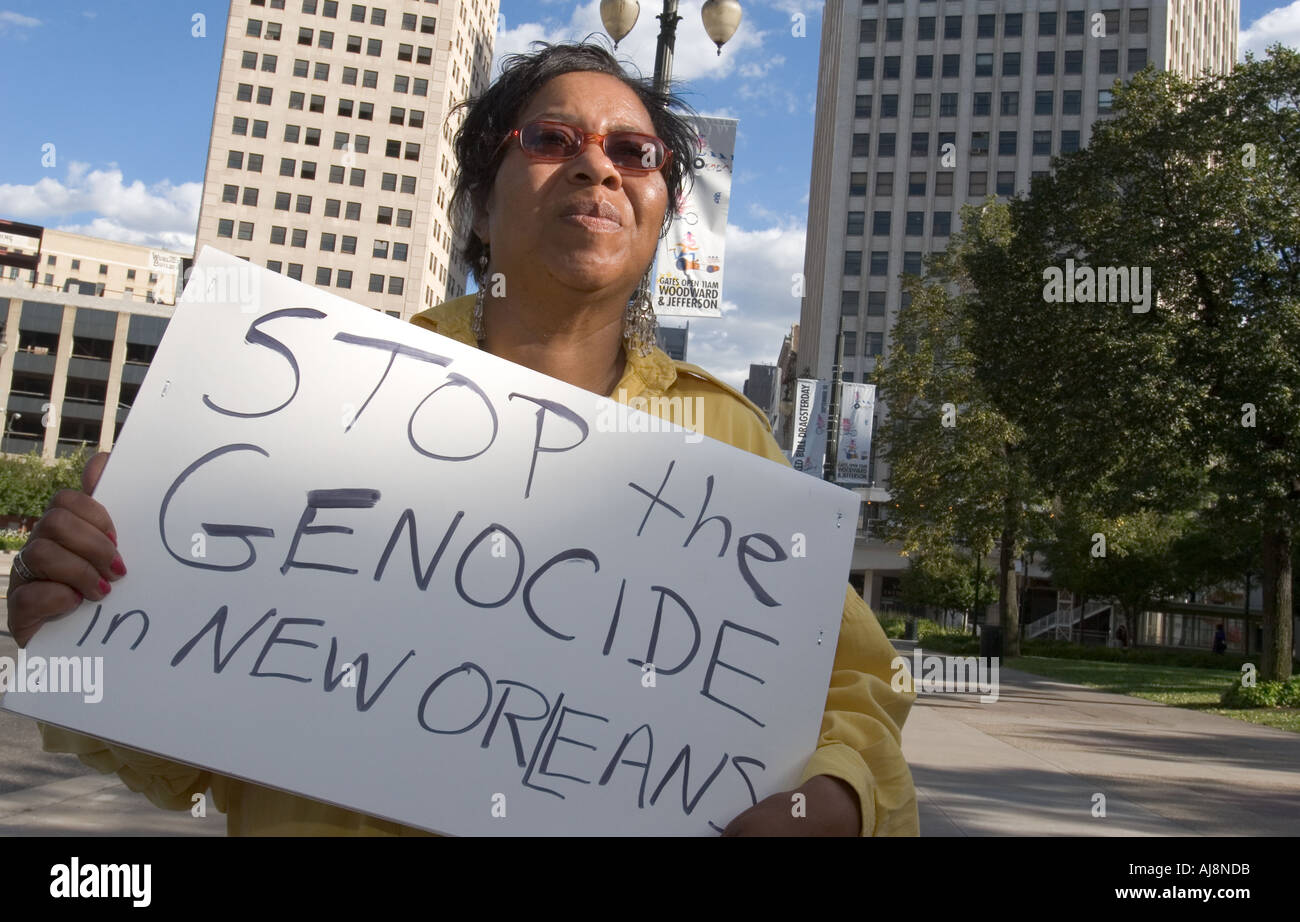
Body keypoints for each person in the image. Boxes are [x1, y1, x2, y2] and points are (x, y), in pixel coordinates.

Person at [6, 42, 918, 837]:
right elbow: (180, 753)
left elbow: (854, 686)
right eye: (553, 140)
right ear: (480, 204)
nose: (597, 168)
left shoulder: (732, 440)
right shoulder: (321, 397)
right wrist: (75, 628)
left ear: (660, 220)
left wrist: (837, 794)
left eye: (632, 153)